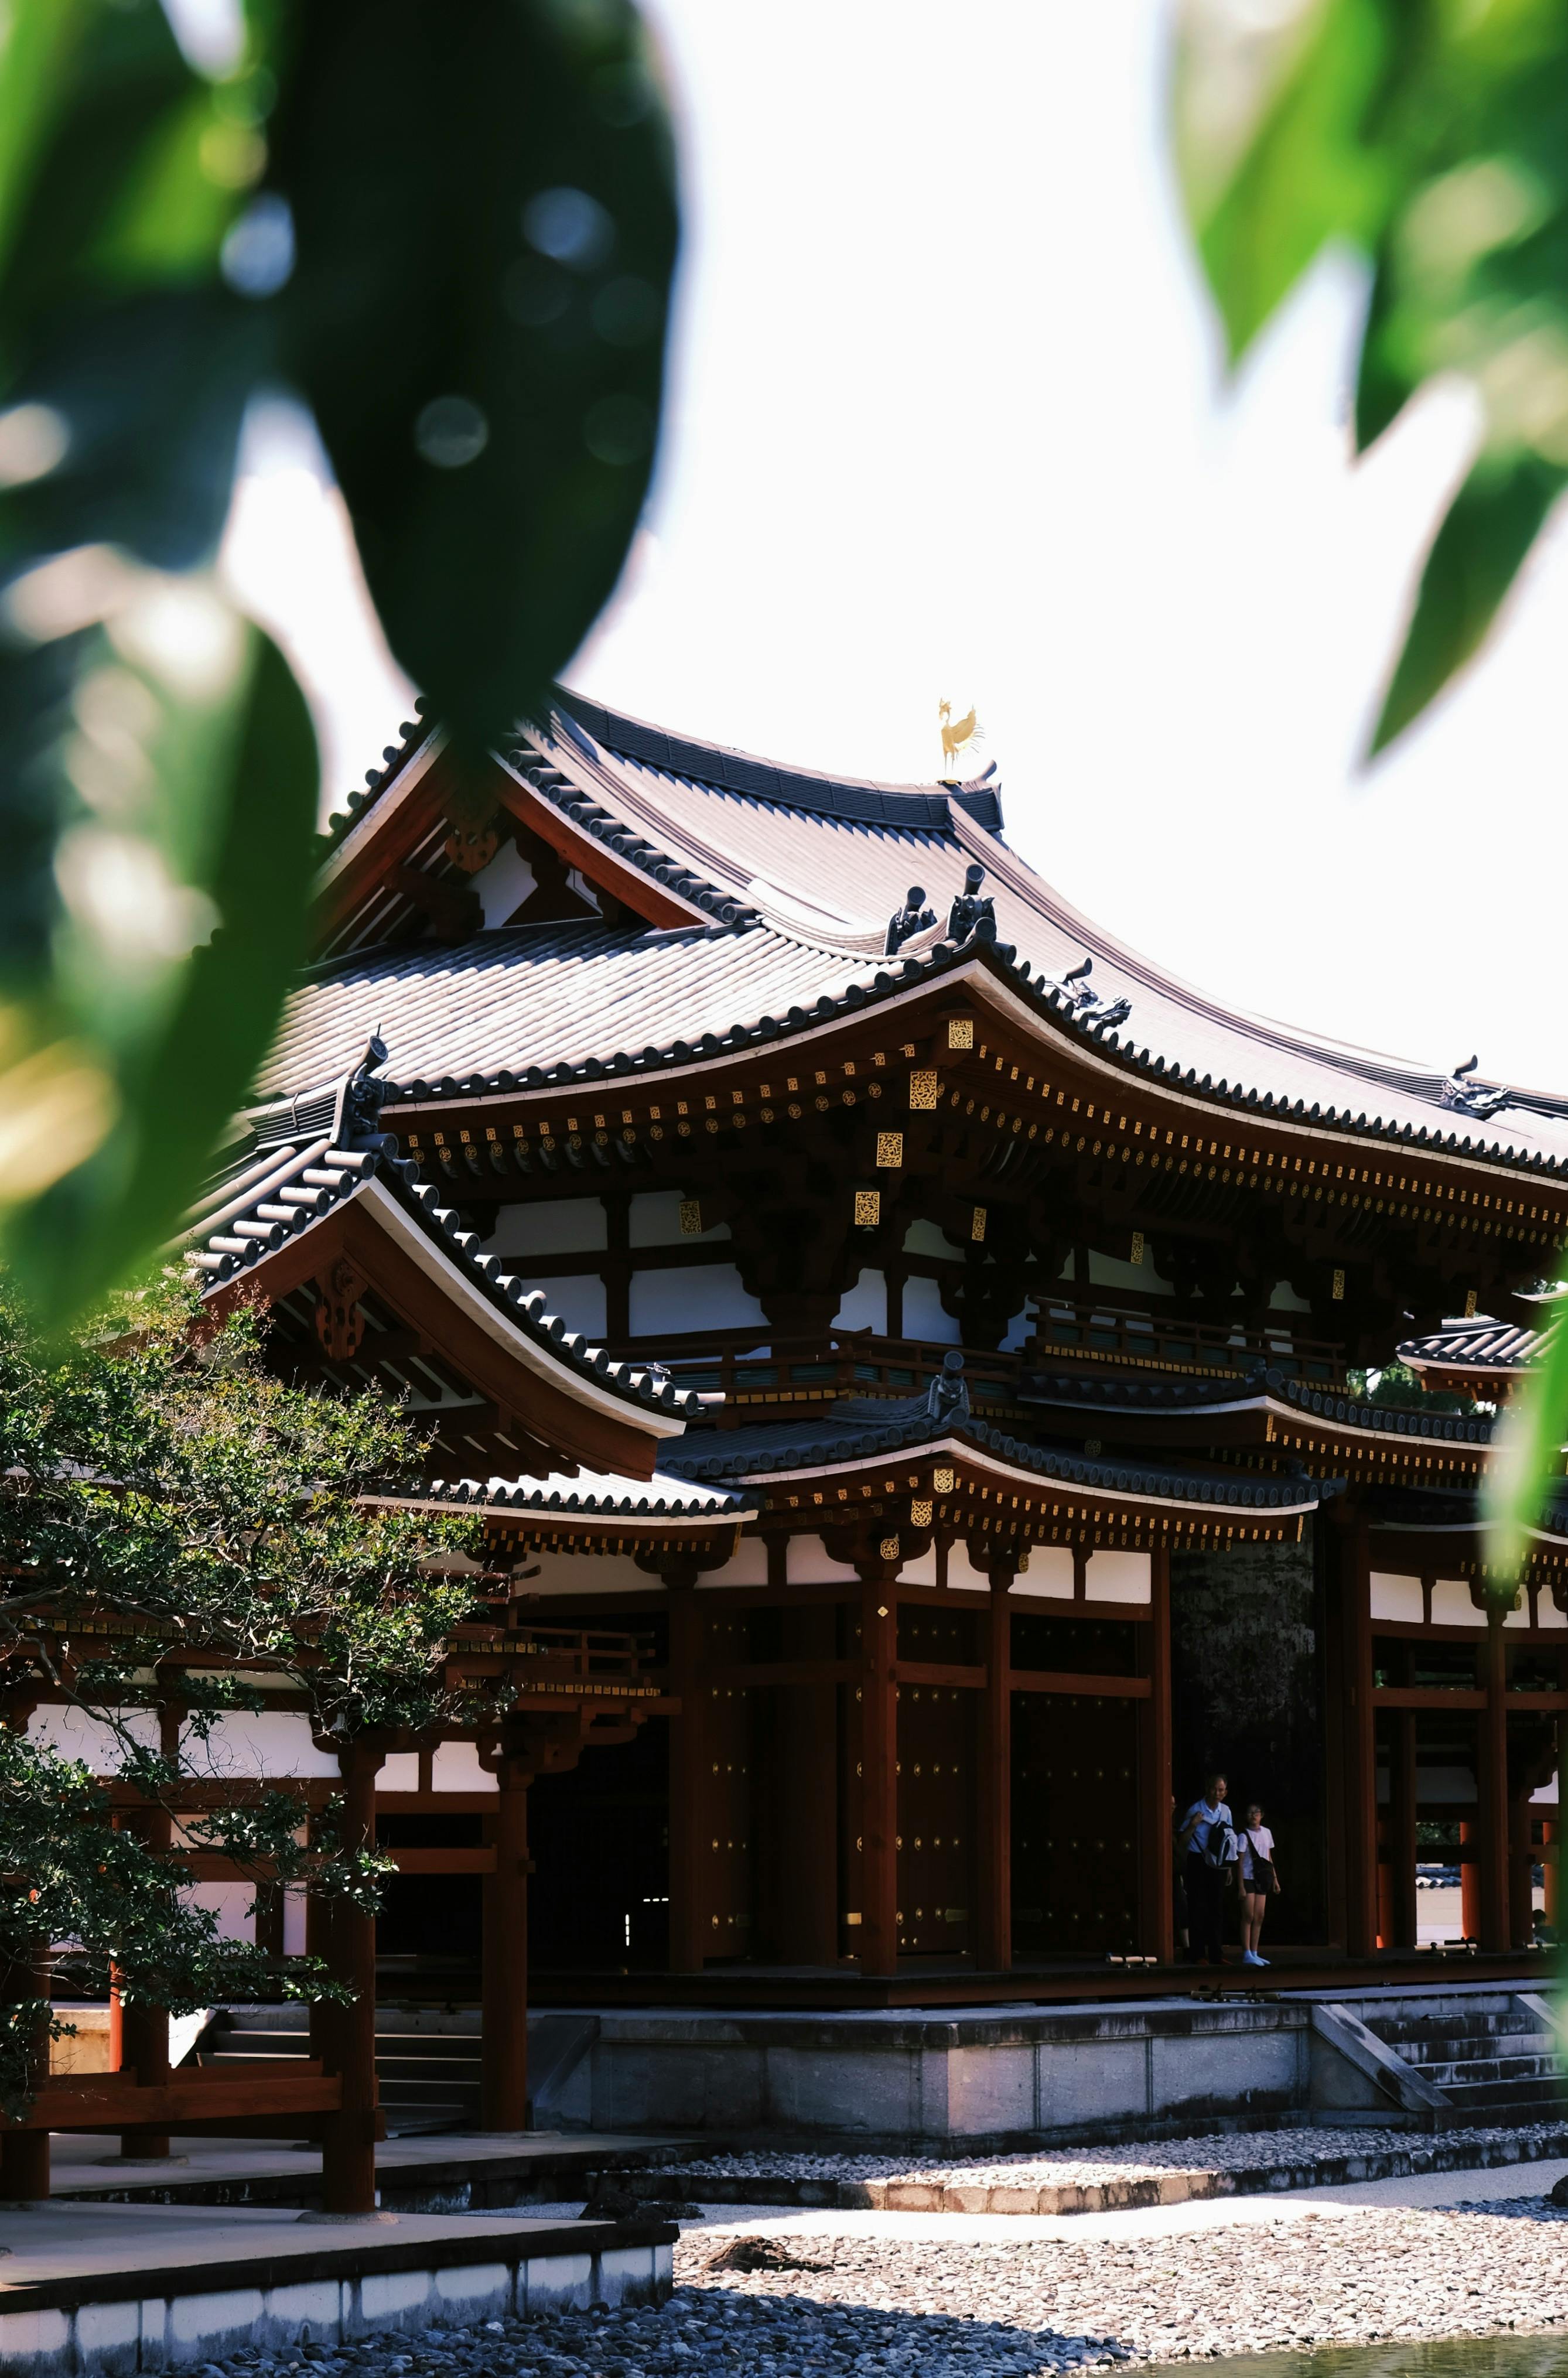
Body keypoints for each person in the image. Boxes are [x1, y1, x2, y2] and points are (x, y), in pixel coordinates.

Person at [1177, 1771, 1235, 1966]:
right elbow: (1182, 1841)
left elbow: (1229, 1840)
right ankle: (1198, 1954)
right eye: (1214, 1789)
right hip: (1198, 1861)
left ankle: (1217, 1955)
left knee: (1216, 1908)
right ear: (1207, 1789)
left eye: (1221, 1790)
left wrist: (1228, 1868)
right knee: (1198, 1907)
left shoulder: (1226, 1811)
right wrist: (1193, 1825)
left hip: (1218, 1862)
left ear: (1225, 1792)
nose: (1217, 1793)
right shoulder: (1195, 1809)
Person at [1236, 1802, 1279, 1969]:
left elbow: (1269, 1857)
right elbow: (1239, 1863)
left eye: (1256, 1813)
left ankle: (1255, 1952)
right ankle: (1246, 1952)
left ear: (1262, 1815)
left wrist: (1275, 1879)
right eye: (1250, 1813)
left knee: (1260, 1915)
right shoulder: (1243, 1836)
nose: (1253, 1816)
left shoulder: (1267, 1833)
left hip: (1263, 1878)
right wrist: (1240, 1886)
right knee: (1248, 1915)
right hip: (1248, 1877)